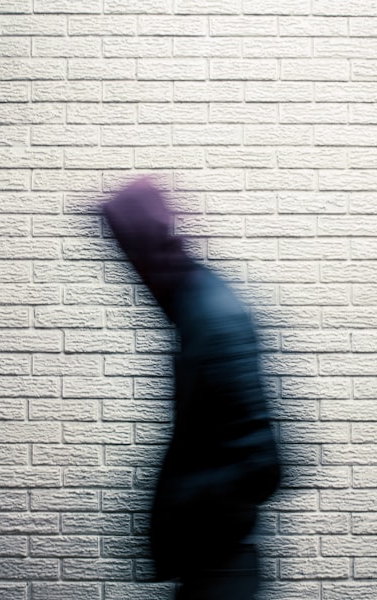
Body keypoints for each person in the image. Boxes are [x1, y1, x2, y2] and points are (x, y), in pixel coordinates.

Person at [103, 178, 281, 599]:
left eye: (128, 251)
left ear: (146, 245)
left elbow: (264, 465)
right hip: (212, 563)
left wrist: (184, 505)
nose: (127, 269)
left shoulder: (212, 317)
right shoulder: (193, 307)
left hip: (221, 568)